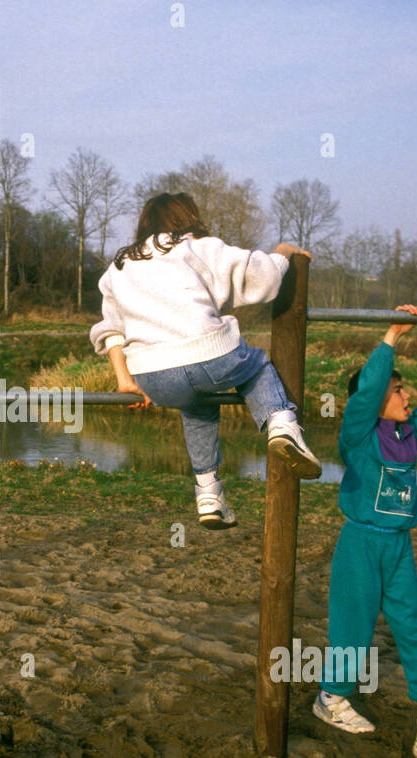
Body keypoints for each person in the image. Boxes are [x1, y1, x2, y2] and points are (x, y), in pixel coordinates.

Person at [89, 193, 321, 528]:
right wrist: (283, 254)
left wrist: (124, 379)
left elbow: (112, 328)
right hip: (211, 357)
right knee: (256, 364)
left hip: (152, 376)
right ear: (187, 218)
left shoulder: (121, 265)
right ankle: (281, 423)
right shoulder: (194, 246)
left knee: (197, 405)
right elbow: (263, 278)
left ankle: (208, 492)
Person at [312, 304, 417, 758]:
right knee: (352, 627)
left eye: (404, 387)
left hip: (398, 549)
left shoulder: (407, 434)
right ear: (372, 402)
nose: (405, 395)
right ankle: (331, 699)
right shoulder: (358, 434)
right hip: (359, 545)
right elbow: (369, 389)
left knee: (413, 625)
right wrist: (391, 336)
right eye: (397, 389)